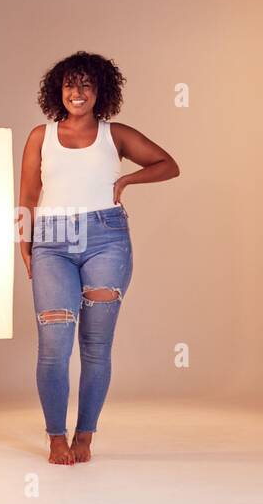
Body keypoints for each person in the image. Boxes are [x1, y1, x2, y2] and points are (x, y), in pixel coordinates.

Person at [17, 52, 180, 466]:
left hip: (105, 239)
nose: (78, 92)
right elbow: (28, 197)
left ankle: (85, 435)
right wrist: (24, 242)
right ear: (59, 90)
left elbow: (168, 164)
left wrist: (127, 178)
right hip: (52, 240)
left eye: (87, 85)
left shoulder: (116, 134)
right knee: (54, 345)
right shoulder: (41, 135)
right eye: (71, 84)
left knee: (95, 345)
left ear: (100, 91)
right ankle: (56, 437)